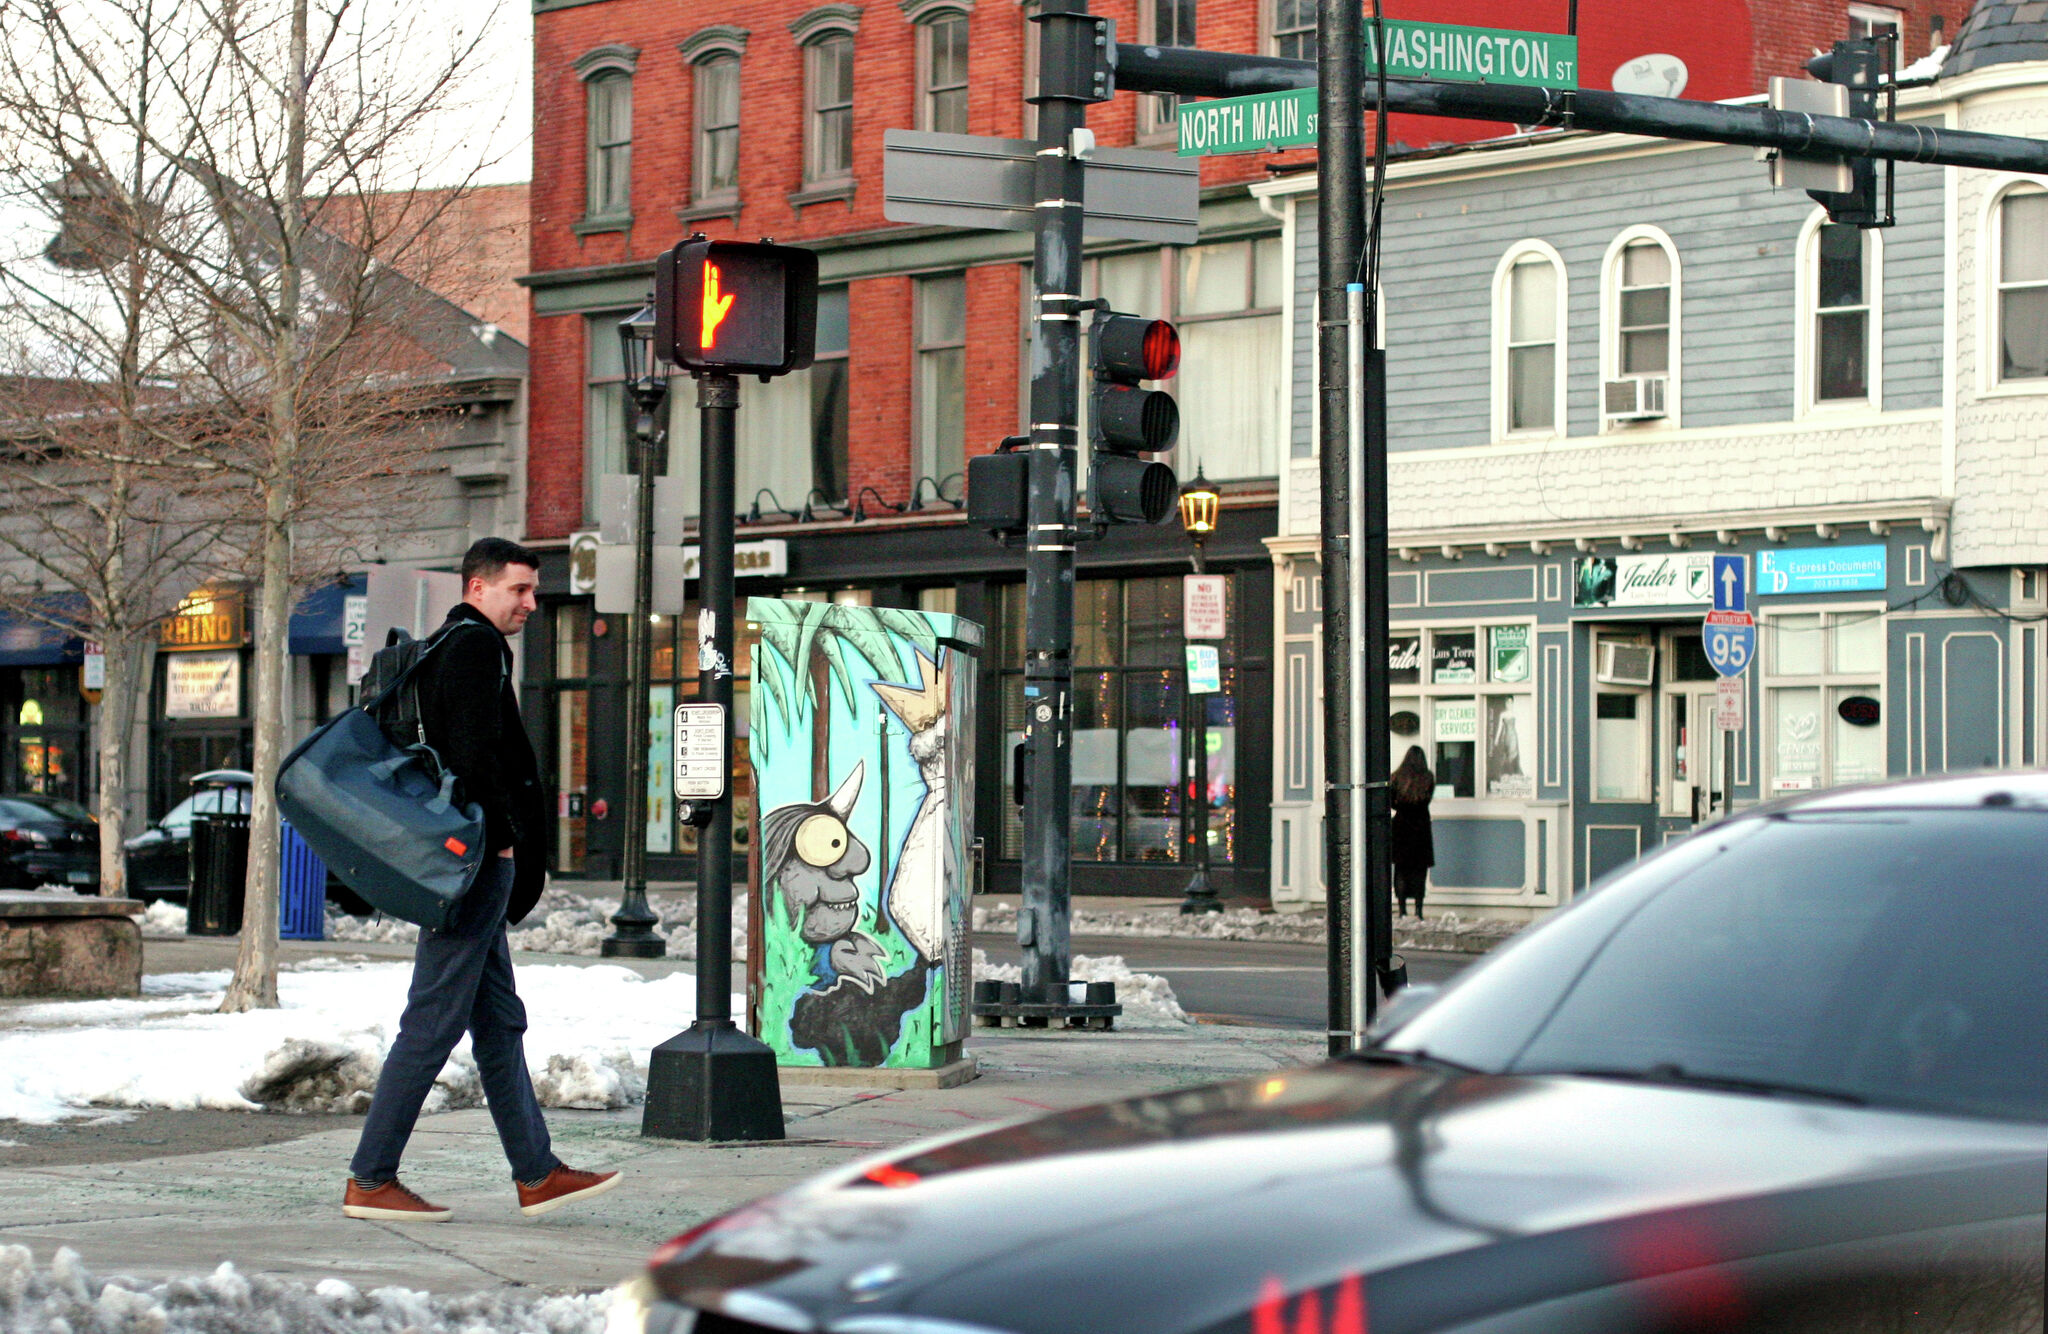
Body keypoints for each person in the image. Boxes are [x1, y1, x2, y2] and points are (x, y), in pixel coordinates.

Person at [343, 538, 620, 1222]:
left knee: (498, 1023)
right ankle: (371, 1178)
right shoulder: (474, 647)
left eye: (532, 591)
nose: (530, 604)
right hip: (475, 866)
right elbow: (471, 756)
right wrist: (498, 842)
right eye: (518, 591)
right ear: (477, 587)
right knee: (433, 1020)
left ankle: (536, 1173)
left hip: (470, 863)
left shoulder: (455, 643)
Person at [1390, 746, 1435, 920]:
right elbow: (1427, 799)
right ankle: (1419, 910)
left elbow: (1390, 801)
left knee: (1401, 869)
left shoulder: (1396, 776)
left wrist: (1400, 806)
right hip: (1421, 826)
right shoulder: (1428, 777)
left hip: (1401, 825)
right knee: (1419, 870)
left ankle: (1402, 910)